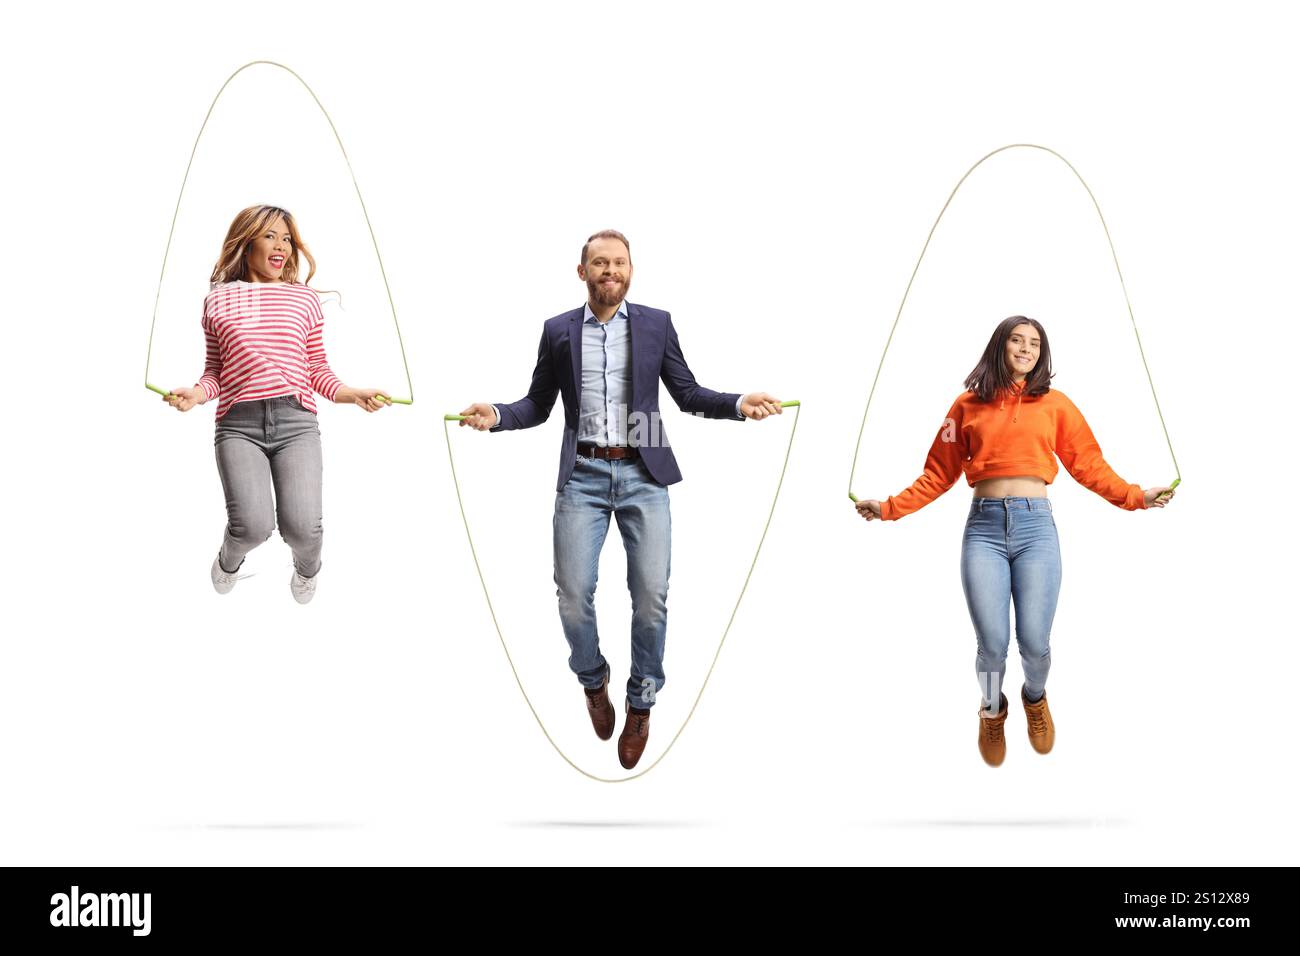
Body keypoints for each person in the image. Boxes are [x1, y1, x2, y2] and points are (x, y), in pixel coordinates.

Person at [459, 229, 783, 769]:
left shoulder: (655, 323)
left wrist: (737, 403)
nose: (611, 270)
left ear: (631, 271)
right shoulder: (558, 331)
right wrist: (496, 415)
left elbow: (687, 394)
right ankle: (593, 680)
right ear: (582, 271)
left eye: (620, 262)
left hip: (643, 469)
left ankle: (641, 701)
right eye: (600, 262)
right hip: (583, 472)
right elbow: (537, 405)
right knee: (571, 594)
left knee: (651, 596)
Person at [854, 315, 1175, 766]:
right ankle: (991, 709)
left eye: (1035, 343)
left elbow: (1088, 464)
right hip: (983, 529)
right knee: (991, 644)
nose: (1026, 348)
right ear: (999, 347)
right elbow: (938, 473)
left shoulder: (1056, 405)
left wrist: (1136, 496)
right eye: (1016, 340)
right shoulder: (966, 405)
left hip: (1035, 528)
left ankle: (1035, 698)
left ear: (1042, 354)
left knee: (1034, 644)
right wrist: (889, 507)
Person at [164, 205, 391, 604]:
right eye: (270, 235)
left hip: (296, 424)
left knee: (304, 531)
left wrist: (352, 394)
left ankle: (307, 571)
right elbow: (216, 371)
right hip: (238, 426)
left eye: (286, 238)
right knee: (251, 527)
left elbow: (317, 368)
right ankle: (228, 562)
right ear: (247, 241)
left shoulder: (303, 300)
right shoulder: (217, 301)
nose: (281, 246)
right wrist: (196, 394)